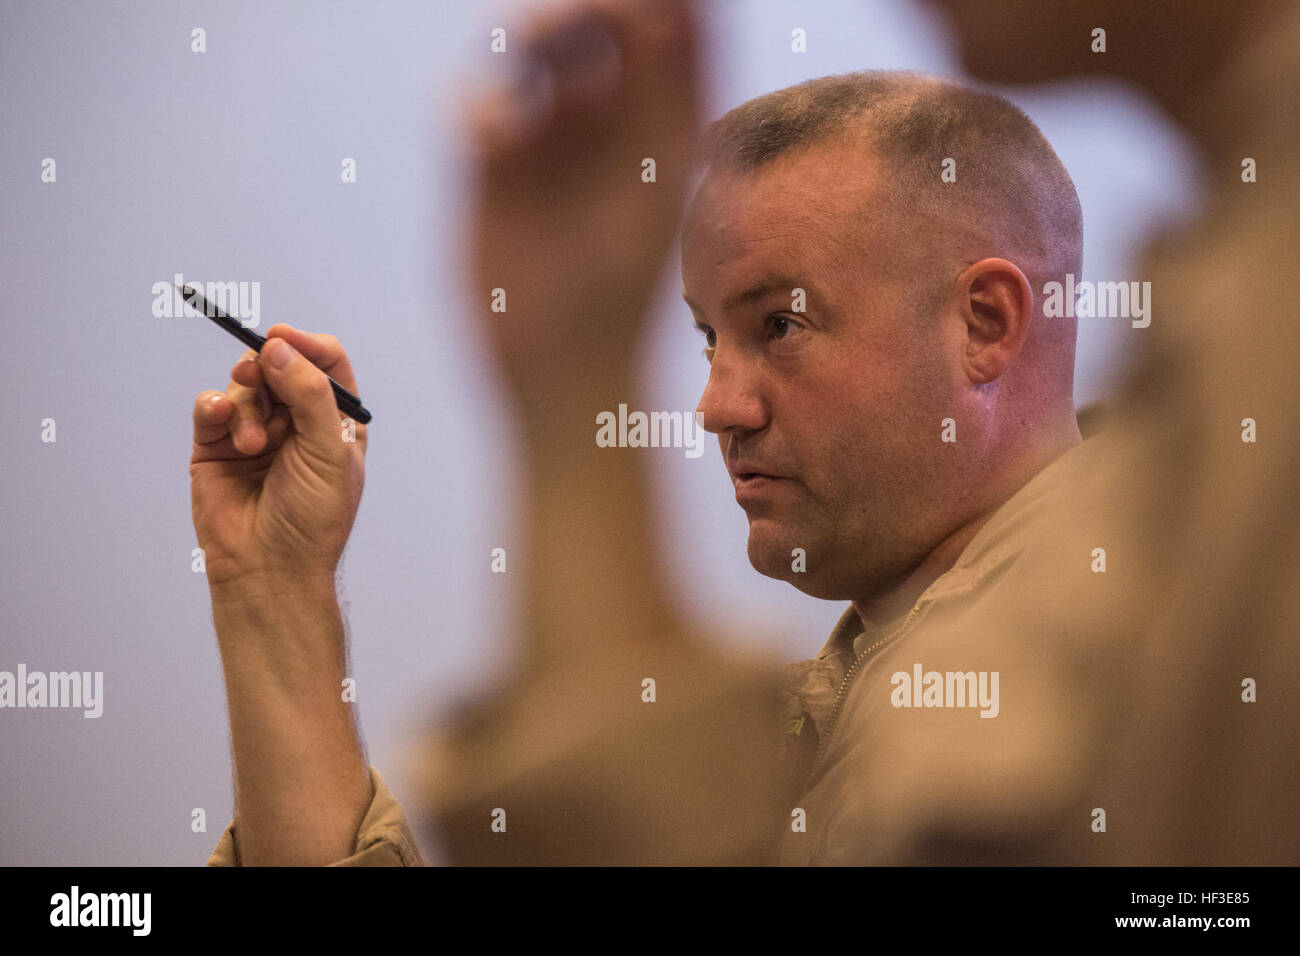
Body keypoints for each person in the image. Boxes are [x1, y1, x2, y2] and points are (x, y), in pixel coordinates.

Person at [195, 0, 1298, 866]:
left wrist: (574, 413)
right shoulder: (881, 677)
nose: (717, 405)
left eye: (781, 324)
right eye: (706, 339)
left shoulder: (1125, 629)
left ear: (986, 323)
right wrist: (273, 592)